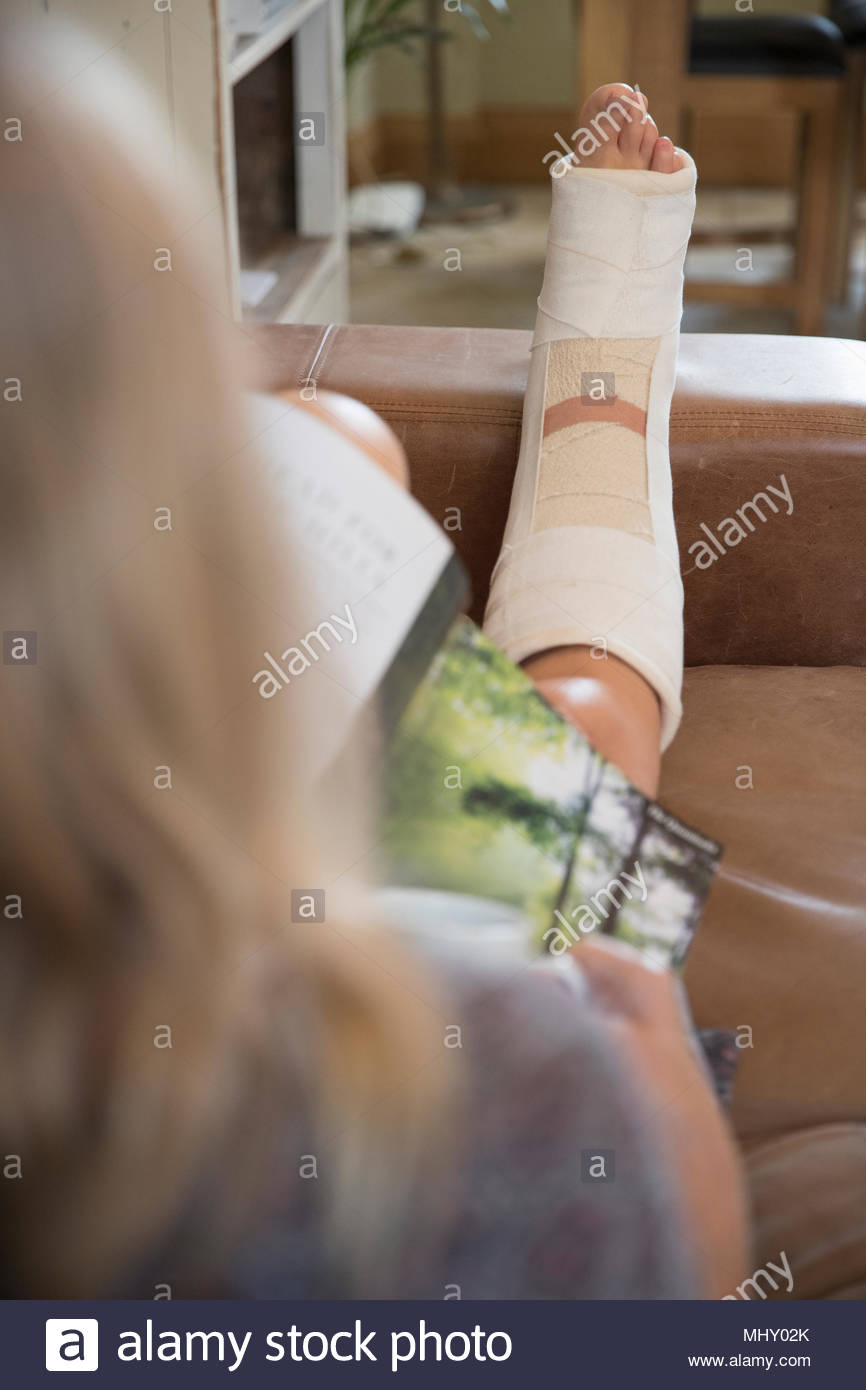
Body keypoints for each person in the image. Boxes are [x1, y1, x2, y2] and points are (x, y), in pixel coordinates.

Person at [0, 19, 747, 1300]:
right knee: (586, 717)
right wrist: (650, 1049)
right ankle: (598, 400)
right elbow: (690, 1314)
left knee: (336, 431)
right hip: (259, 898)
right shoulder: (492, 1087)